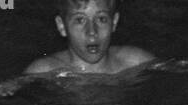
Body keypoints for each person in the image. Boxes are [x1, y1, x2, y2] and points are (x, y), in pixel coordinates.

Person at [25, 0, 155, 78]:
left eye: (101, 19)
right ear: (62, 26)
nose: (92, 31)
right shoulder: (43, 71)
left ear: (114, 22)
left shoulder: (136, 61)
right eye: (80, 20)